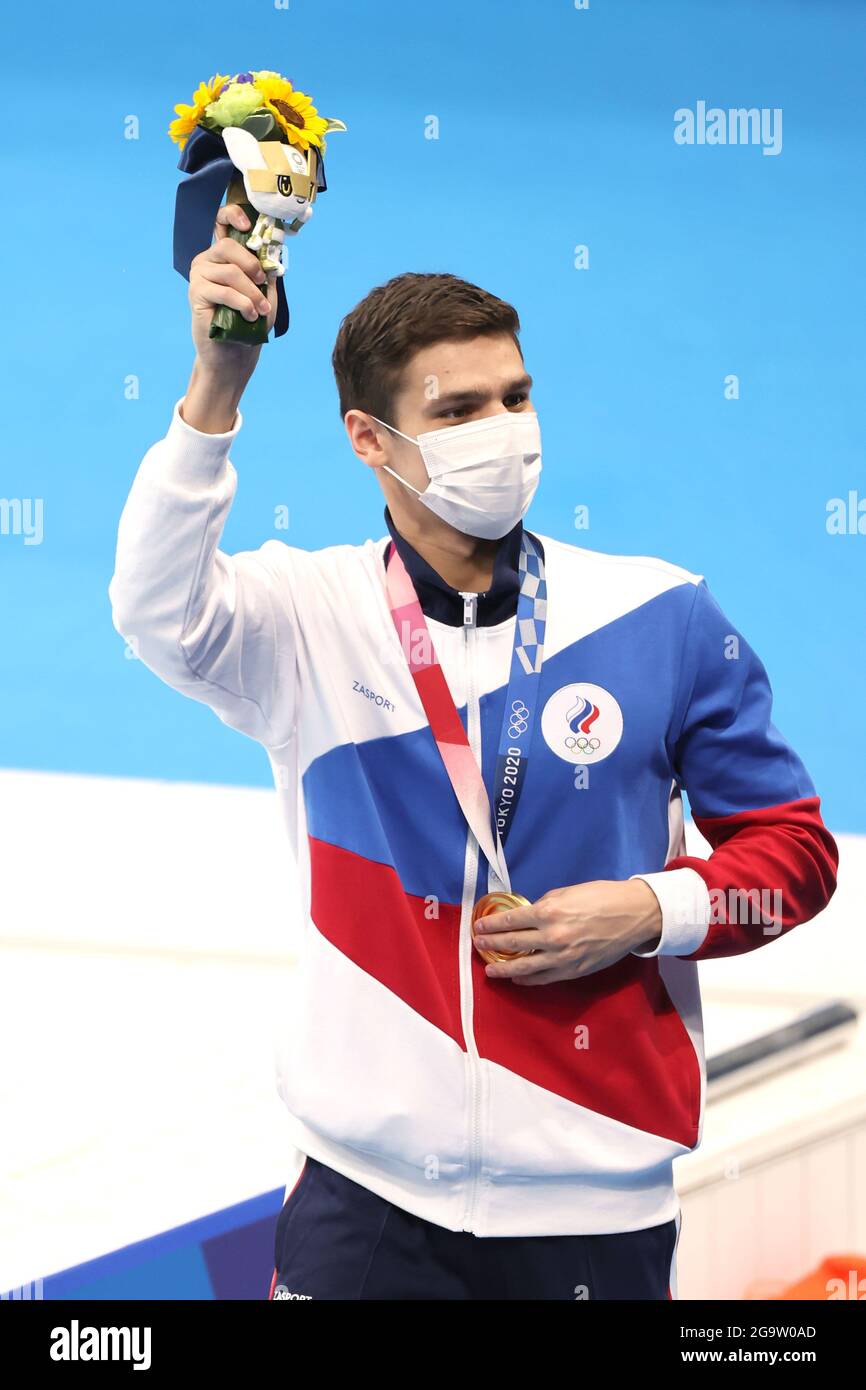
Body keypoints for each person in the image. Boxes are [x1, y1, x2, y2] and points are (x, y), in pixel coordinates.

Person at [109, 201, 838, 1301]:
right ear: (369, 439)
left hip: (596, 1199)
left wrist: (651, 908)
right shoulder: (307, 617)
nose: (501, 429)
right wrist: (217, 385)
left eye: (515, 397)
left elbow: (793, 860)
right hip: (367, 1204)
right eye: (456, 410)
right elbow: (153, 607)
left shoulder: (660, 614)